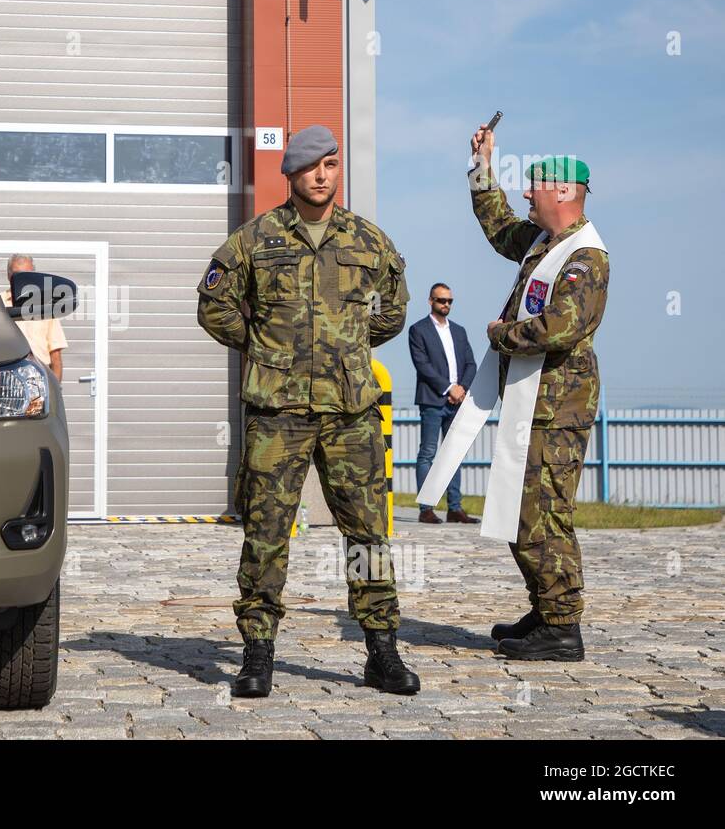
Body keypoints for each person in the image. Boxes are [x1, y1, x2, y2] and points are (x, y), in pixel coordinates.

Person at [197, 125, 420, 697]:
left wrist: (350, 346)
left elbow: (394, 307)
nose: (322, 176)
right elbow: (213, 303)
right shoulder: (256, 240)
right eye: (310, 167)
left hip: (350, 411)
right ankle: (257, 653)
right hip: (279, 412)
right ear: (291, 175)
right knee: (267, 532)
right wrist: (264, 348)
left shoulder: (367, 240)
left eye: (330, 165)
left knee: (368, 533)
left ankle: (382, 651)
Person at [462, 123, 609, 661]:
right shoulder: (547, 245)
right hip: (534, 404)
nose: (526, 192)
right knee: (519, 509)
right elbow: (499, 227)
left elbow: (562, 326)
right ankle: (545, 607)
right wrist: (483, 166)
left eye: (535, 185)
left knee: (543, 513)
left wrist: (502, 335)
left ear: (565, 192)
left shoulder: (584, 258)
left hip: (558, 409)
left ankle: (563, 626)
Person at [408, 283, 479, 524]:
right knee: (428, 453)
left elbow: (471, 363)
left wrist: (461, 389)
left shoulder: (459, 331)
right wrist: (449, 388)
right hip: (432, 400)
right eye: (441, 300)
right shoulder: (418, 330)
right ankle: (426, 508)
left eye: (449, 301)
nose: (445, 304)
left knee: (453, 454)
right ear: (431, 301)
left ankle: (454, 508)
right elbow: (422, 365)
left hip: (457, 402)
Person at [4, 255, 67, 382]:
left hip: (40, 378)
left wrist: (55, 391)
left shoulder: (46, 307)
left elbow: (56, 357)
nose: (23, 279)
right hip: (6, 381)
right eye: (17, 274)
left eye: (27, 274)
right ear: (8, 276)